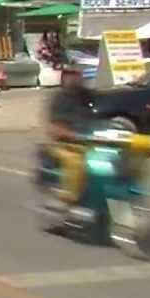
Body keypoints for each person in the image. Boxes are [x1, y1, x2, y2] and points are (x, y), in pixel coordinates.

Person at [39, 63, 94, 202]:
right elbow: (54, 127)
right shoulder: (59, 99)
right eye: (69, 75)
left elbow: (101, 116)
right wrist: (71, 135)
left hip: (91, 142)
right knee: (75, 162)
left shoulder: (88, 96)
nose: (73, 78)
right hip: (65, 144)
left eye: (76, 74)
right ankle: (69, 199)